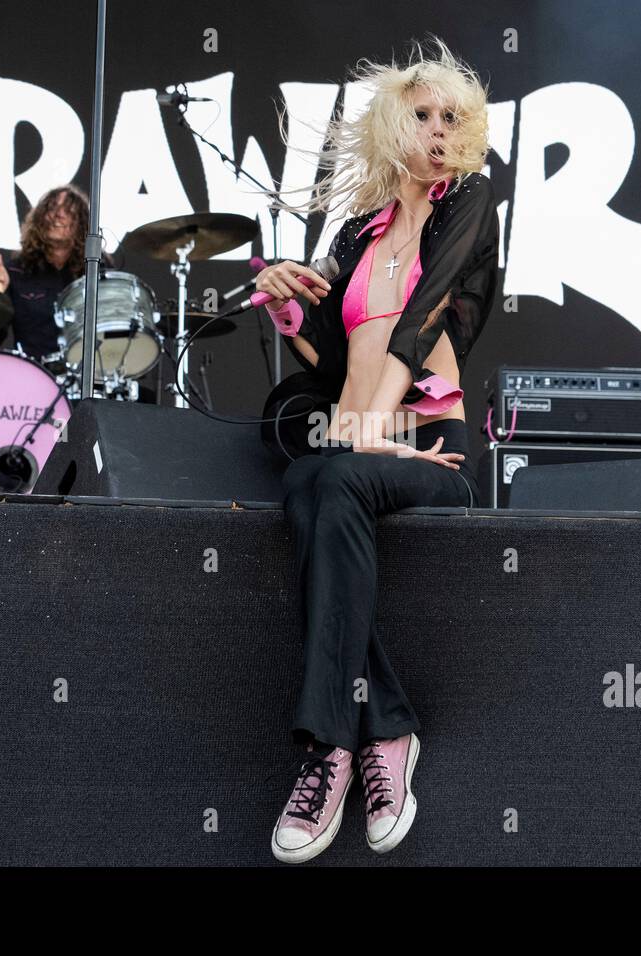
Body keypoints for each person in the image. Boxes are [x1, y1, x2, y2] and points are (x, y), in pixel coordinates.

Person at [256, 38, 498, 863]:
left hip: (428, 446)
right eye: (422, 114)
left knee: (327, 475)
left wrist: (372, 425)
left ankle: (326, 746)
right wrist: (289, 309)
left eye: (450, 118)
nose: (437, 130)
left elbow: (426, 315)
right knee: (310, 476)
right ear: (394, 123)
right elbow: (330, 353)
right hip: (355, 446)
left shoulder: (469, 202)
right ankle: (381, 730)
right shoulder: (362, 229)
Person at [0, 184, 93, 360]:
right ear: (40, 218)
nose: (59, 215)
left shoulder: (96, 268)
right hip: (33, 377)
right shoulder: (15, 270)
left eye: (69, 210)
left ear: (82, 222)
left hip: (86, 379)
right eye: (52, 208)